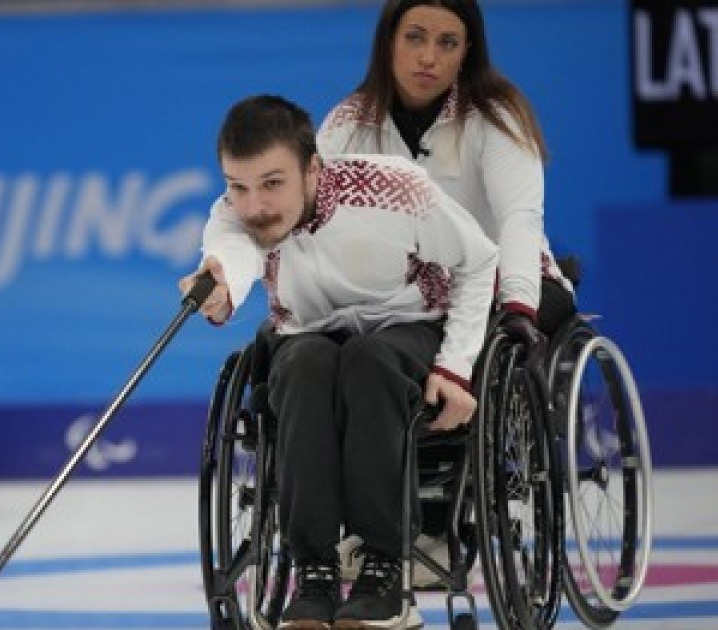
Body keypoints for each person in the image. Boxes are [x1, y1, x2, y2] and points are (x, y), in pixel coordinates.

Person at [178, 94, 497, 630]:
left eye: (273, 183)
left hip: (409, 326)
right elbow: (233, 254)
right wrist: (220, 286)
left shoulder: (394, 190)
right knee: (303, 366)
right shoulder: (237, 215)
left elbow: (479, 258)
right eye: (238, 186)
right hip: (311, 336)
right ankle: (314, 570)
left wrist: (457, 366)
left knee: (370, 360)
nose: (255, 205)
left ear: (312, 167)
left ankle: (383, 568)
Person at [316, 0, 578, 586]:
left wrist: (516, 307)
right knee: (351, 355)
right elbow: (317, 223)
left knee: (464, 346)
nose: (429, 56)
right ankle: (379, 523)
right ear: (388, 42)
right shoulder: (346, 124)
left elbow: (518, 221)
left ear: (468, 51)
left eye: (447, 42)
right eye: (415, 37)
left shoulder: (497, 116)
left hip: (508, 283)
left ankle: (436, 517)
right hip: (404, 301)